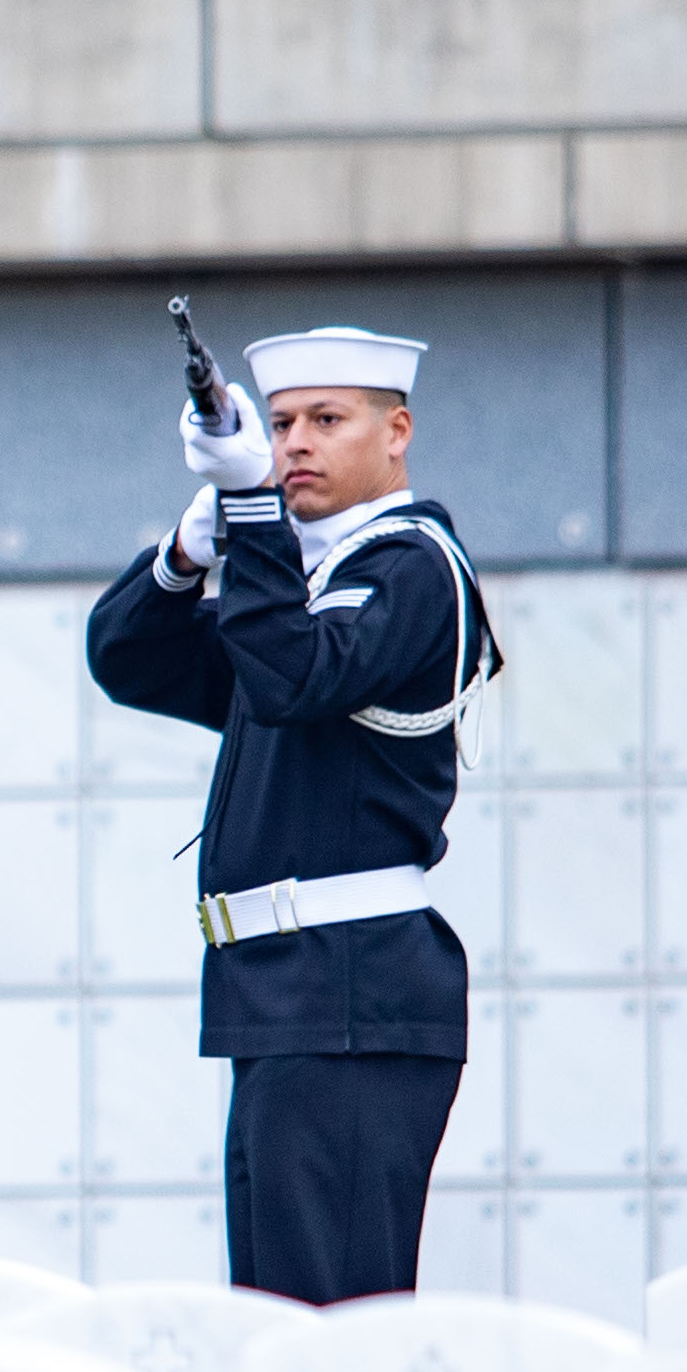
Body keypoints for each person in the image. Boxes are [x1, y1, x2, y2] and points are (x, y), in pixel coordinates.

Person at [80, 326, 494, 1306]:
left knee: (332, 1318)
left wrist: (254, 512)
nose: (294, 441)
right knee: (271, 1315)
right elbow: (127, 658)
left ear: (397, 433)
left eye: (325, 419)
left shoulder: (411, 568)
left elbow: (297, 673)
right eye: (276, 426)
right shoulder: (306, 580)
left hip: (350, 985)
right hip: (282, 994)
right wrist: (190, 549)